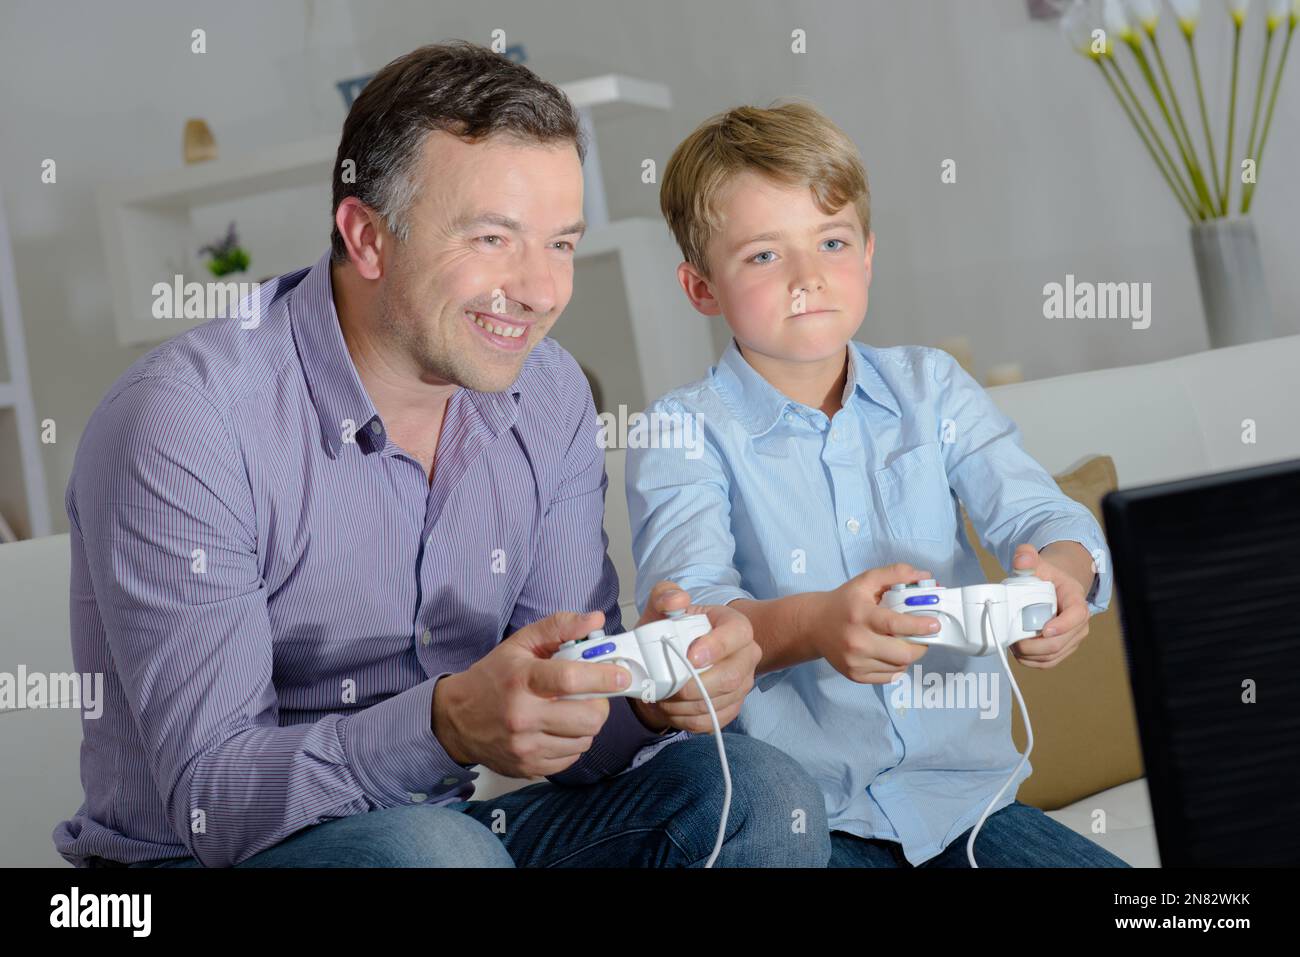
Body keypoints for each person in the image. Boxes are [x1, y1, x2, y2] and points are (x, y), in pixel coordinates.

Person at [53, 43, 829, 869]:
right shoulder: (185, 421)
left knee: (756, 798)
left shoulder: (550, 391)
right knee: (436, 854)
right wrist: (445, 723)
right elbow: (214, 801)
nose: (539, 291)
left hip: (453, 836)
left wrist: (651, 690)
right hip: (201, 859)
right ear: (368, 237)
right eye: (494, 238)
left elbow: (571, 718)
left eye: (560, 243)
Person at [626, 101, 1129, 867]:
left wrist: (1064, 575)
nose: (808, 278)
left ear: (867, 256)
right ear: (701, 288)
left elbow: (1037, 513)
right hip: (808, 825)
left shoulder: (934, 389)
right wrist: (817, 624)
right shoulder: (680, 431)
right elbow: (696, 629)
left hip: (973, 806)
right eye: (764, 256)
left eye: (832, 242)